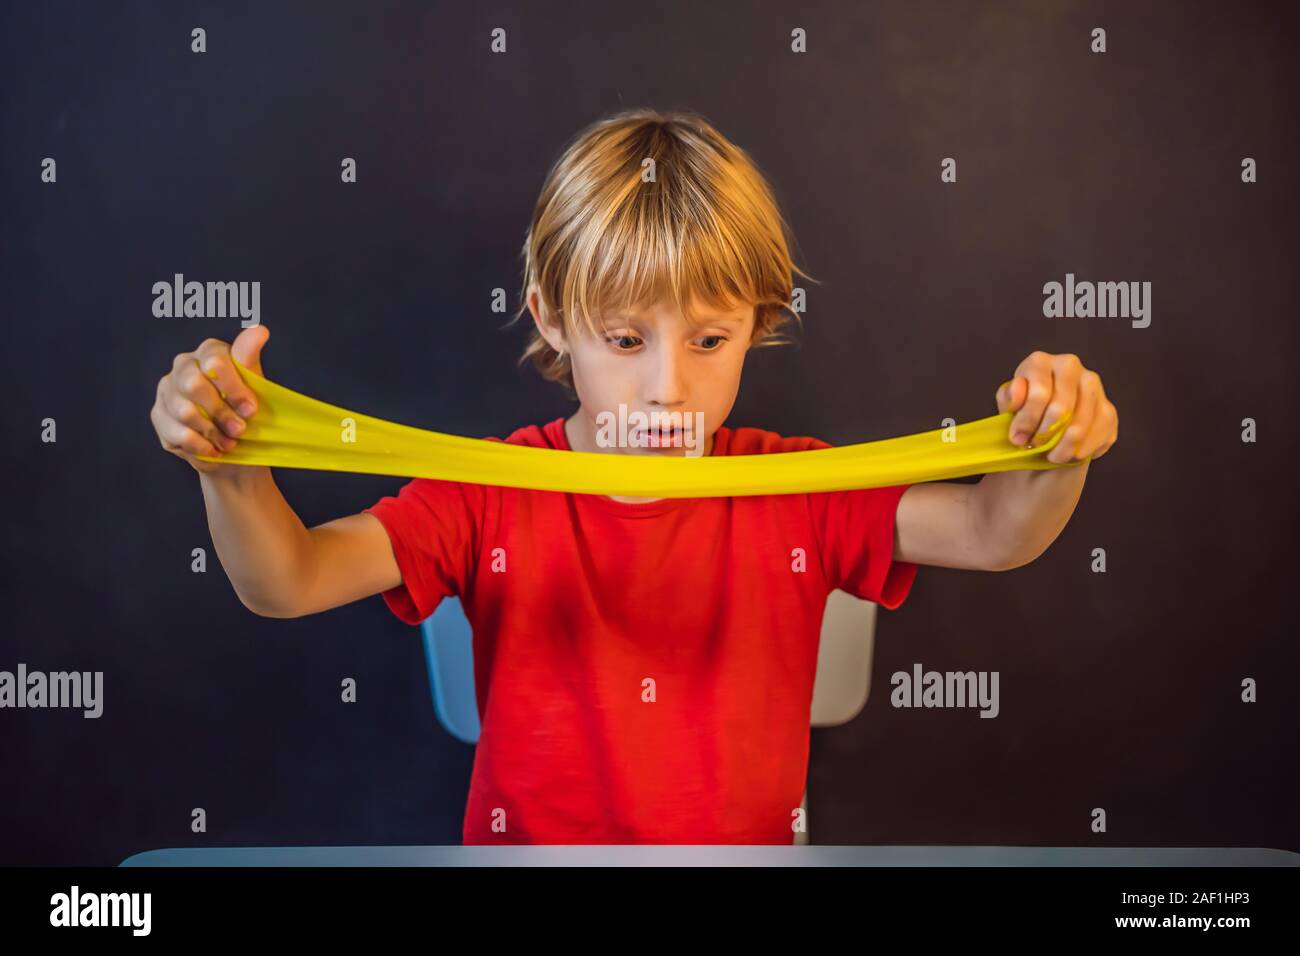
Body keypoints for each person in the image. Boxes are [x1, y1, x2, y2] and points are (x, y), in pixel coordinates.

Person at [148, 108, 1119, 845]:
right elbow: (289, 580)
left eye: (710, 337)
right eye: (623, 338)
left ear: (758, 320)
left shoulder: (798, 489)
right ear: (552, 316)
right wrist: (229, 466)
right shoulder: (488, 491)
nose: (668, 385)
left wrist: (1057, 444)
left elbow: (999, 532)